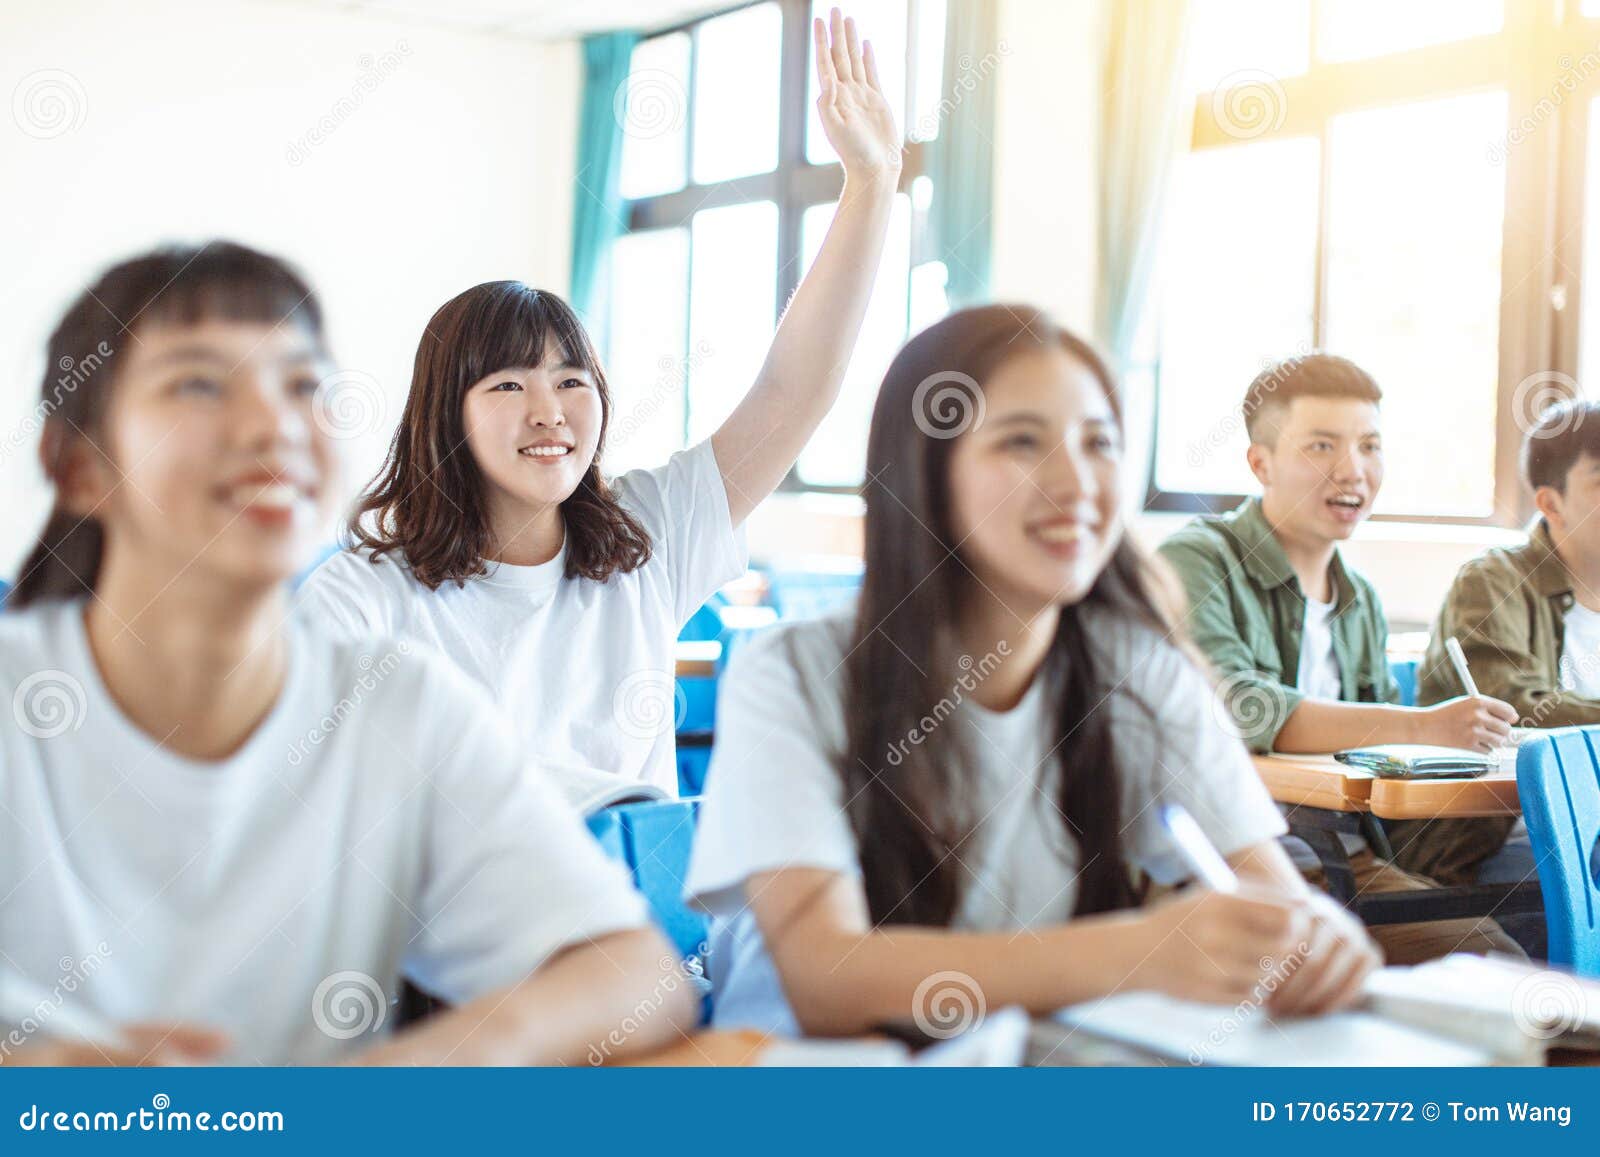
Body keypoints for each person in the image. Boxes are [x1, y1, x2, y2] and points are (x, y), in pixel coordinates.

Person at [1, 243, 695, 1065]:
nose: (274, 425)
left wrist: (389, 1078)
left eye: (302, 386)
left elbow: (636, 979)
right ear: (77, 466)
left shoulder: (399, 706)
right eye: (199, 383)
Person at [685, 307, 1380, 1036]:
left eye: (1099, 443)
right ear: (924, 470)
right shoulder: (793, 671)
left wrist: (1312, 938)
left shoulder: (1138, 666)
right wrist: (1143, 952)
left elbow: (1265, 889)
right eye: (1022, 441)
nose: (1077, 482)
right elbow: (827, 979)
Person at [295, 9, 903, 795]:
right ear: (446, 415)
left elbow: (795, 391)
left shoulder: (648, 539)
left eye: (571, 381)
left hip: (636, 906)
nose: (549, 410)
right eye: (509, 383)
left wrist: (871, 185)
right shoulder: (369, 596)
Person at [1156, 352, 1519, 963]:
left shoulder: (1360, 599)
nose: (1352, 471)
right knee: (1487, 959)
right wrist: (1424, 725)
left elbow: (1373, 764)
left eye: (1370, 446)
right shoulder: (1196, 561)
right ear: (1260, 463)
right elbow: (1243, 710)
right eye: (1321, 447)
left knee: (1505, 950)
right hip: (1213, 863)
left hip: (1343, 860)